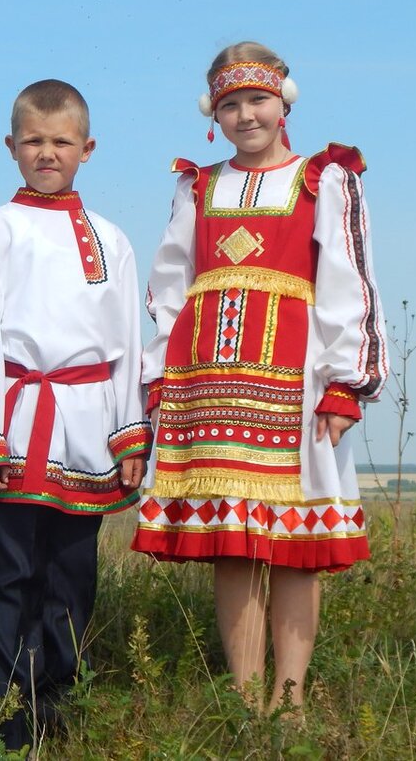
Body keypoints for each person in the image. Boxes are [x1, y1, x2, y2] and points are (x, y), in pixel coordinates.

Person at [131, 42, 389, 713]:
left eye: (257, 100)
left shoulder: (323, 178)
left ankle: (292, 694)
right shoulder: (199, 185)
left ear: (284, 101)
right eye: (231, 103)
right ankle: (247, 699)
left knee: (296, 543)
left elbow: (348, 283)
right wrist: (158, 374)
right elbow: (168, 284)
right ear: (214, 113)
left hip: (297, 380)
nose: (246, 114)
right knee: (233, 543)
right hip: (208, 379)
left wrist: (344, 383)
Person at [0, 79, 151, 752]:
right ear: (10, 146)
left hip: (89, 431)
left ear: (86, 149)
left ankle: (60, 706)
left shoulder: (112, 239)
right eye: (33, 141)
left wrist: (131, 433)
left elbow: (127, 341)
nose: (46, 153)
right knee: (12, 573)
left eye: (60, 141)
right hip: (18, 423)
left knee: (71, 575)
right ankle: (7, 713)